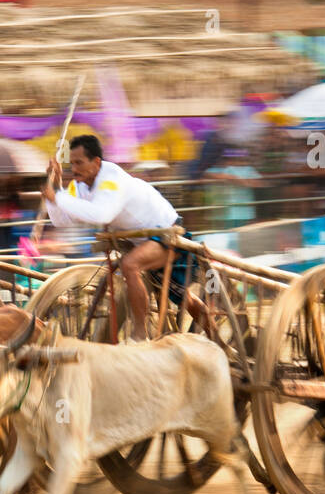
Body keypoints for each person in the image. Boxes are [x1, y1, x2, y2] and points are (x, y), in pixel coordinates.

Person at [42, 133, 210, 340]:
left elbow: (102, 214)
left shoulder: (111, 179)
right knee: (184, 298)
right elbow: (62, 220)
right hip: (139, 240)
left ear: (96, 162)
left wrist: (58, 196)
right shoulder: (79, 184)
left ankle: (140, 334)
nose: (74, 169)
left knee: (131, 266)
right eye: (71, 163)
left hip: (166, 233)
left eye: (79, 163)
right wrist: (56, 190)